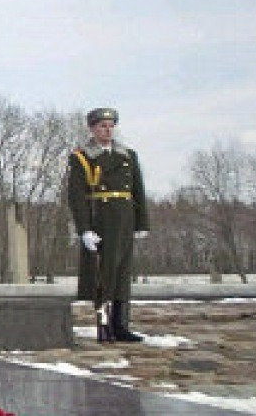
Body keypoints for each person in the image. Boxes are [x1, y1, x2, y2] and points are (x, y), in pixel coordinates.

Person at [67, 107, 150, 342]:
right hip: (101, 218)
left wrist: (142, 221)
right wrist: (84, 229)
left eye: (111, 125)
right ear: (92, 128)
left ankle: (121, 325)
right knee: (104, 275)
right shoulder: (82, 157)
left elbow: (138, 190)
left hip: (124, 217)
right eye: (102, 126)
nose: (108, 130)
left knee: (123, 273)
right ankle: (104, 327)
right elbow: (76, 196)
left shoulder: (127, 155)